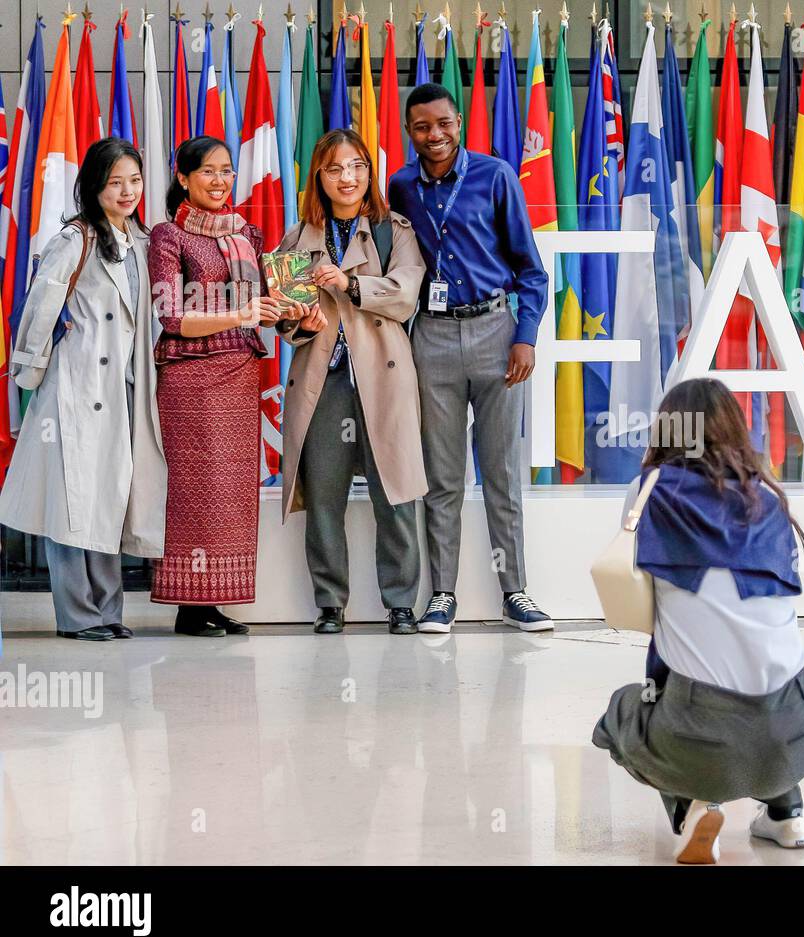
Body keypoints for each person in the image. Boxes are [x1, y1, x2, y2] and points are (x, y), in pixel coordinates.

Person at [592, 378, 804, 865]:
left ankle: (689, 813)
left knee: (626, 710)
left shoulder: (651, 492)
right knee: (769, 681)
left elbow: (636, 574)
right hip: (803, 726)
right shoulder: (769, 498)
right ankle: (788, 817)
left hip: (697, 734)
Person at [387, 82, 554, 636]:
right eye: (422, 127)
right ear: (409, 131)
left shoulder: (495, 176)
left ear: (459, 123)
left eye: (444, 124)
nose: (435, 136)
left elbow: (530, 269)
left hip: (496, 332)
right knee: (443, 476)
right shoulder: (401, 187)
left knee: (503, 470)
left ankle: (517, 593)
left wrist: (525, 336)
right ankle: (442, 595)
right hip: (431, 338)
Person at [0, 137, 167, 641]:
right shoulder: (75, 239)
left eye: (134, 181)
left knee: (110, 498)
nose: (126, 191)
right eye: (114, 182)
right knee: (74, 502)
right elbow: (40, 306)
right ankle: (79, 615)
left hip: (123, 387)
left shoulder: (140, 241)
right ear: (93, 187)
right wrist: (30, 368)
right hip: (77, 385)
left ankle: (109, 611)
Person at [148, 135, 306, 636]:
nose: (220, 181)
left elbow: (270, 302)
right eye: (209, 172)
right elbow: (171, 316)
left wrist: (298, 309)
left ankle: (215, 602)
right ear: (183, 177)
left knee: (232, 491)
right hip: (190, 378)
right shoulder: (167, 237)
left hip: (239, 373)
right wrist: (241, 313)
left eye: (227, 171)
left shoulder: (250, 235)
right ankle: (187, 607)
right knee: (195, 489)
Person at [275, 129, 427, 635]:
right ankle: (329, 602)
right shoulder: (296, 240)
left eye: (358, 166)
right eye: (336, 168)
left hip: (382, 376)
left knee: (396, 492)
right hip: (325, 380)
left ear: (369, 173)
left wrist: (351, 284)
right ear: (318, 175)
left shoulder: (393, 230)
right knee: (324, 497)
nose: (348, 178)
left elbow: (406, 293)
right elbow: (283, 318)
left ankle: (401, 602)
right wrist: (300, 322)